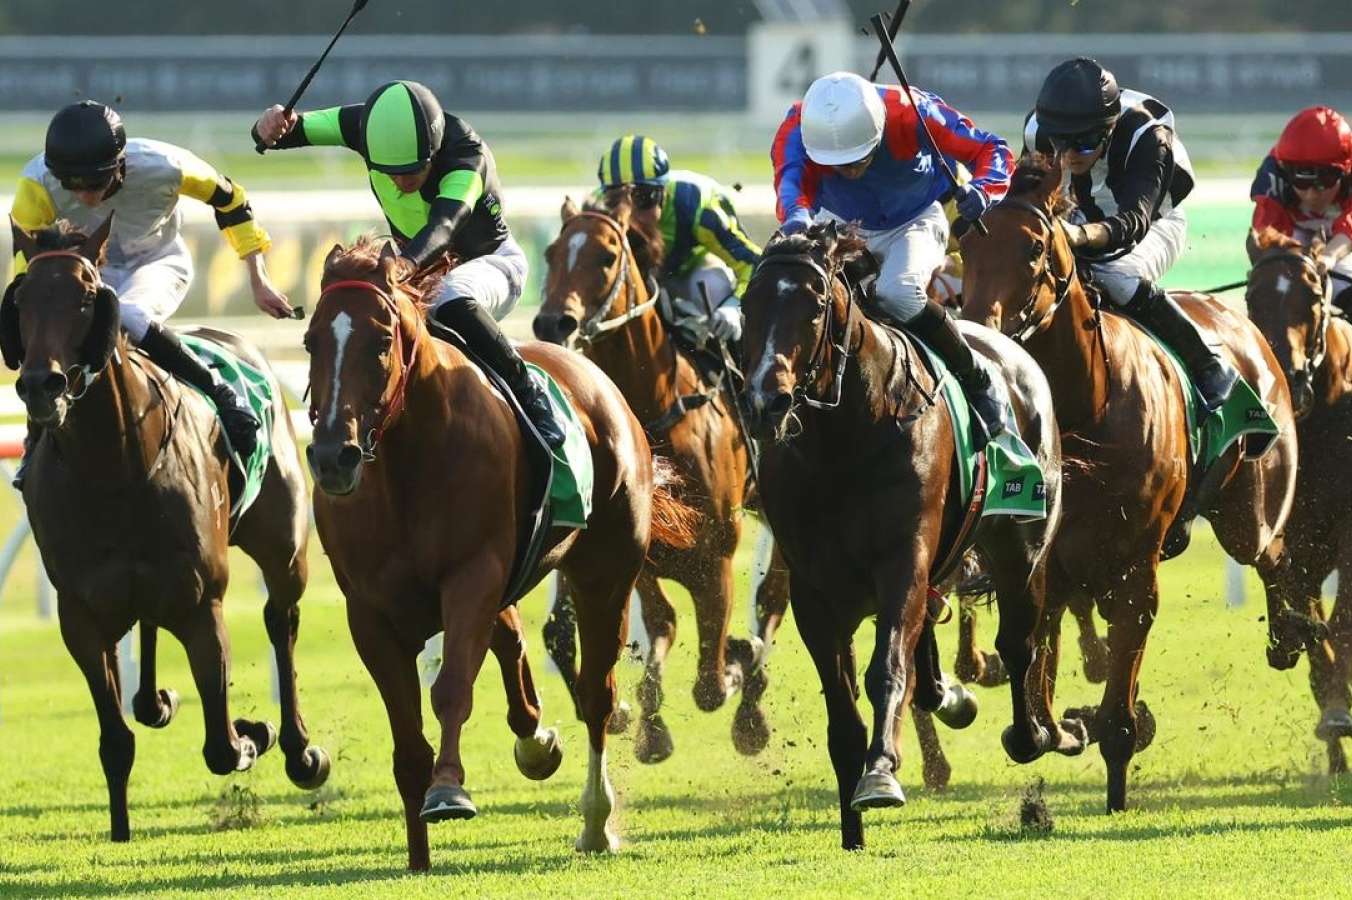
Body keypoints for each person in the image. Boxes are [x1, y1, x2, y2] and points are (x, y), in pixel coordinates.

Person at [252, 80, 564, 447]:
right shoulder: (365, 127)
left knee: (447, 295)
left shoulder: (466, 155)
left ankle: (528, 391)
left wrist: (405, 264)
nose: (399, 183)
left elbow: (444, 226)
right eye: (390, 172)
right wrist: (267, 126)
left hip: (491, 265)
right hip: (416, 271)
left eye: (412, 172)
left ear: (432, 154)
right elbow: (288, 130)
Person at [9, 100, 281, 486]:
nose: (86, 197)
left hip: (157, 263)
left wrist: (258, 276)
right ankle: (36, 441)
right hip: (88, 275)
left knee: (129, 315)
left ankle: (221, 395)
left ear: (119, 165)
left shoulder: (166, 164)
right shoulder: (37, 182)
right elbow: (29, 266)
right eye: (73, 186)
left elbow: (230, 199)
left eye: (95, 184)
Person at [772, 70, 1011, 439]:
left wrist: (982, 190)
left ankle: (976, 377)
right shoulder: (797, 127)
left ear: (878, 131)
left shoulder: (913, 112)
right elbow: (790, 183)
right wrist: (798, 219)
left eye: (858, 158)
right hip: (838, 220)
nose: (849, 170)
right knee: (793, 292)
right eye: (839, 163)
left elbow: (992, 148)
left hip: (913, 220)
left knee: (896, 293)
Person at [1024, 57, 1236, 411]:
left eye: (1086, 143)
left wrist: (1077, 237)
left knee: (1118, 276)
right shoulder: (1039, 132)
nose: (1071, 155)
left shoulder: (1147, 136)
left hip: (1154, 219)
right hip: (1079, 212)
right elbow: (1028, 197)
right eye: (1062, 143)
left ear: (1109, 128)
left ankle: (1209, 365)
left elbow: (1134, 221)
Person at [595, 135, 760, 352]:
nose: (629, 215)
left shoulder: (700, 208)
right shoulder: (596, 210)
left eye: (643, 198)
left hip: (693, 272)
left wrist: (736, 307)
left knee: (714, 287)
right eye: (616, 201)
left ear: (663, 193)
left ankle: (738, 370)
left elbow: (755, 264)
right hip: (642, 280)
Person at [1249, 105, 1352, 308]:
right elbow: (1268, 238)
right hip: (1295, 236)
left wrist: (1329, 256)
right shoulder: (1272, 177)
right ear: (1286, 172)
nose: (1312, 194)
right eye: (1302, 182)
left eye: (1325, 181)